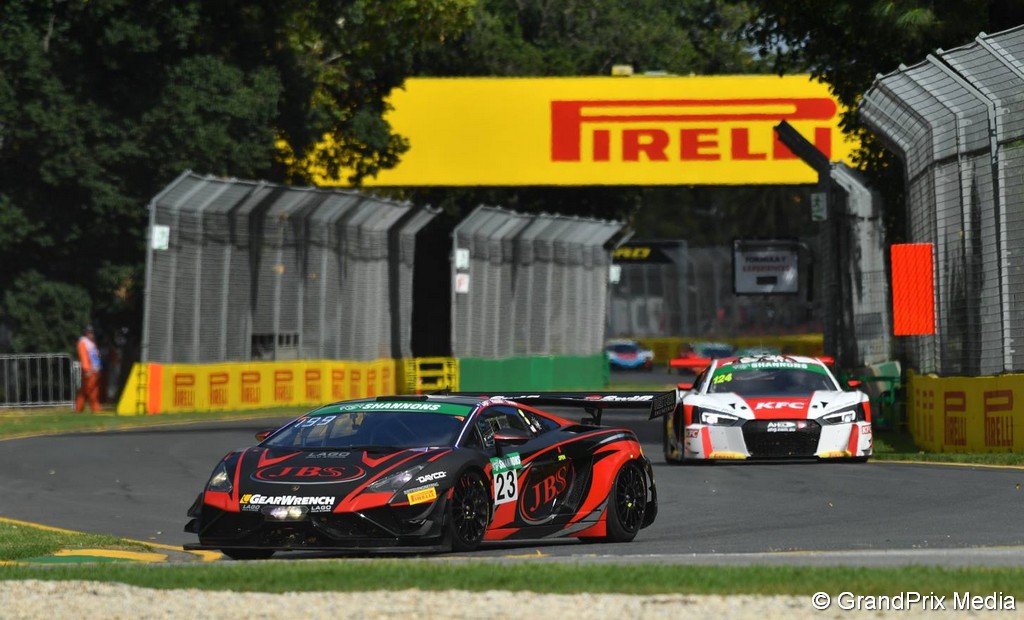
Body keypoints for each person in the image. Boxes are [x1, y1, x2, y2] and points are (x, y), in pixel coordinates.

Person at [75, 325, 102, 413]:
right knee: (90, 390)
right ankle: (95, 409)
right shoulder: (83, 342)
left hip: (95, 370)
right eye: (90, 332)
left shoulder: (91, 343)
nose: (92, 334)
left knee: (87, 390)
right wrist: (86, 369)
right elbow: (83, 357)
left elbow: (95, 356)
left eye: (92, 332)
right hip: (90, 370)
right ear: (86, 333)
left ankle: (79, 408)